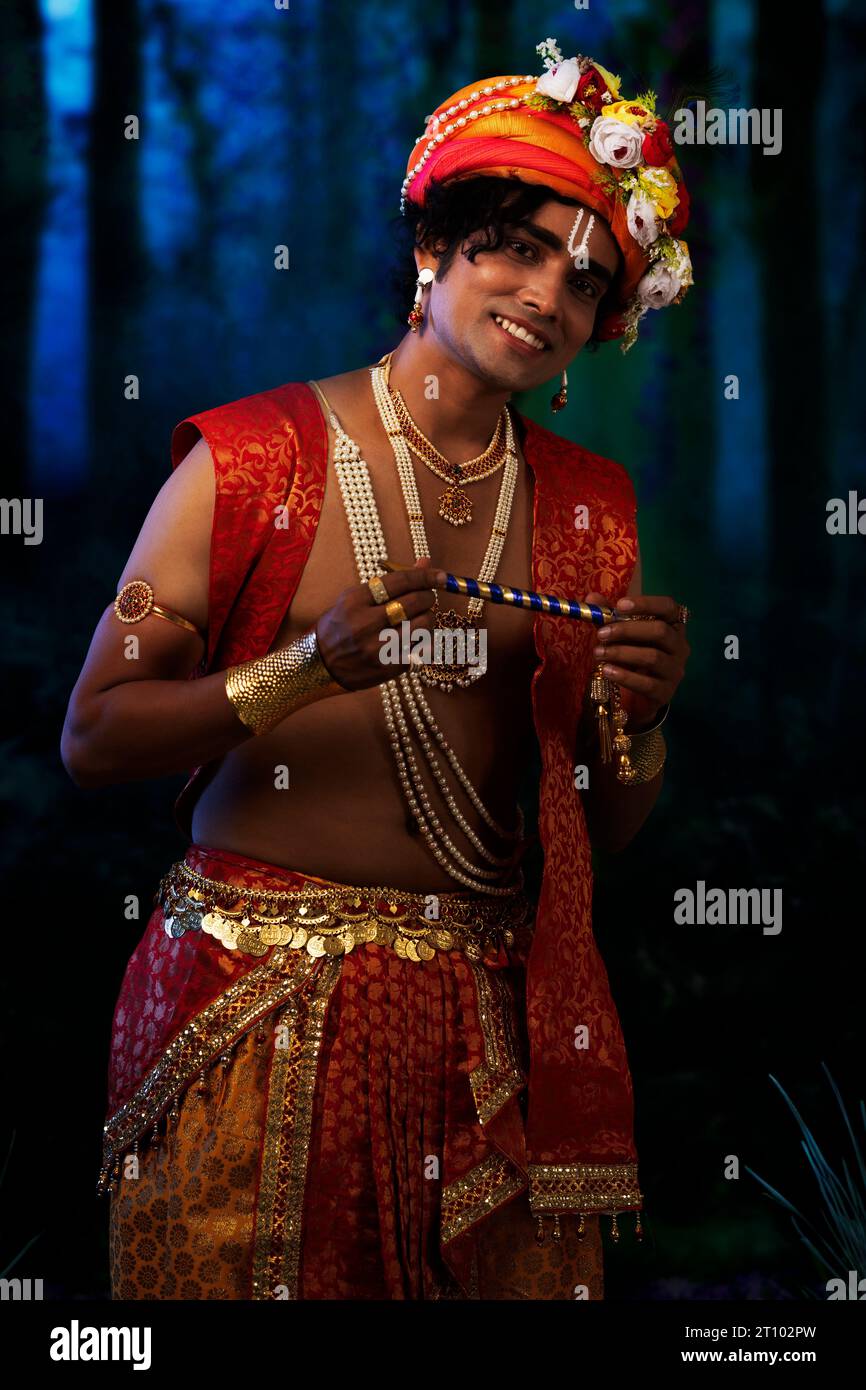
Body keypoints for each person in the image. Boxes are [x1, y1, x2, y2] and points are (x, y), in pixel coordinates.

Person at [61, 38, 693, 1301]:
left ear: (599, 324)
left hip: (484, 1034)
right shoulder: (250, 462)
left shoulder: (586, 511)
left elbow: (600, 829)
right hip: (250, 1006)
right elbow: (95, 738)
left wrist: (642, 717)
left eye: (582, 279)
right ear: (431, 253)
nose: (541, 296)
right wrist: (303, 670)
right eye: (510, 247)